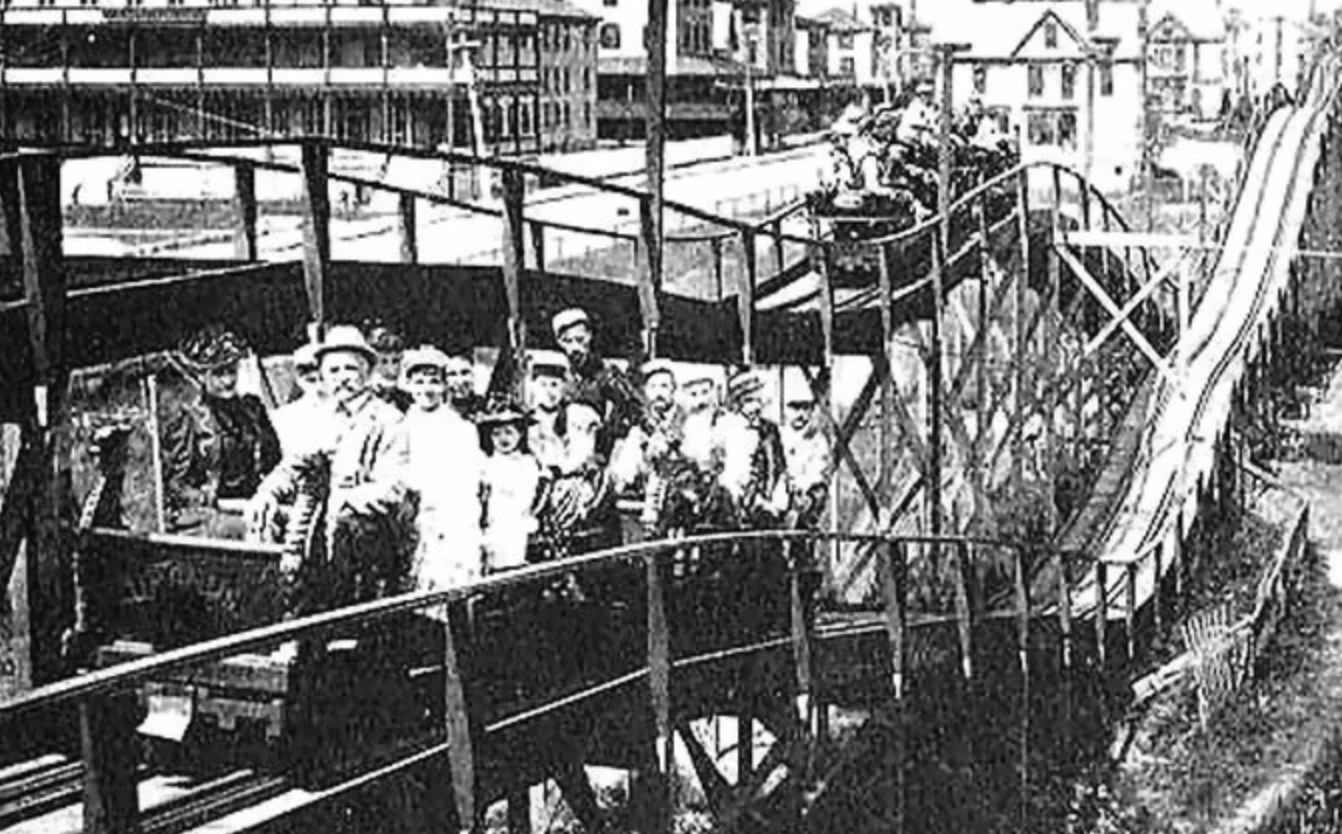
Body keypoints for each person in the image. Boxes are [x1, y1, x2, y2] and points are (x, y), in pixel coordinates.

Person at [248, 325, 415, 609]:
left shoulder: (389, 421)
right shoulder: (322, 419)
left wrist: (346, 501)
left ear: (366, 372)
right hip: (319, 539)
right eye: (333, 371)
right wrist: (267, 493)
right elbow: (296, 464)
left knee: (364, 631)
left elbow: (393, 487)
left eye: (350, 369)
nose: (342, 379)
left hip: (369, 544)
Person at [162, 325, 282, 537]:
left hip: (254, 505)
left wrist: (268, 496)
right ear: (201, 376)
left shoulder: (252, 410)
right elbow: (176, 485)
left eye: (231, 370)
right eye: (218, 373)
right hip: (206, 515)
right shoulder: (189, 419)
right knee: (257, 532)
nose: (227, 380)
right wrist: (215, 502)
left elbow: (275, 463)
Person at [400, 346, 486, 591]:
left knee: (456, 585)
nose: (427, 389)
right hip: (415, 518)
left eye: (434, 382)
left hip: (453, 519)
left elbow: (469, 481)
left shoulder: (461, 428)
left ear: (444, 385)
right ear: (409, 386)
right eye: (419, 382)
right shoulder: (400, 426)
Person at [551, 307, 640, 456]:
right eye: (567, 341)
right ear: (559, 343)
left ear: (589, 336)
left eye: (580, 339)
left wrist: (607, 438)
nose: (574, 348)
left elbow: (633, 409)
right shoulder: (562, 379)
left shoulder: (607, 375)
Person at [479, 403, 545, 573]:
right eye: (496, 433)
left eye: (509, 432)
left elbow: (531, 492)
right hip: (494, 518)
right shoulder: (487, 464)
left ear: (520, 434)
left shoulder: (527, 463)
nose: (503, 439)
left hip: (519, 515)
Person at [719, 369, 788, 528]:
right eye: (749, 401)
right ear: (738, 403)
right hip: (732, 509)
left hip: (766, 509)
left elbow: (779, 467)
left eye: (758, 400)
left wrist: (775, 502)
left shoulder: (769, 430)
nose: (756, 406)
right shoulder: (728, 428)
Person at [780, 393, 831, 530]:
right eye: (795, 408)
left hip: (805, 510)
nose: (801, 414)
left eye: (806, 408)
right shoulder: (777, 437)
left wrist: (807, 501)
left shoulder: (818, 442)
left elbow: (820, 477)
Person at [271, 341, 326, 459]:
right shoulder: (283, 418)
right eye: (304, 370)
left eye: (317, 367)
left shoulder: (351, 409)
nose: (313, 375)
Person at [527, 349, 570, 470]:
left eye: (554, 384)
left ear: (564, 387)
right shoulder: (529, 420)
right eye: (543, 384)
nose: (549, 391)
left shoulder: (571, 417)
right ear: (534, 387)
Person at [366, 322, 412, 412]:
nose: (390, 367)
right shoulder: (369, 392)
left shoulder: (409, 393)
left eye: (395, 361)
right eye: (384, 361)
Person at [444, 350, 485, 421]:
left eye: (465, 373)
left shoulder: (484, 405)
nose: (460, 380)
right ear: (445, 380)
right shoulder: (438, 408)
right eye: (452, 374)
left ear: (473, 376)